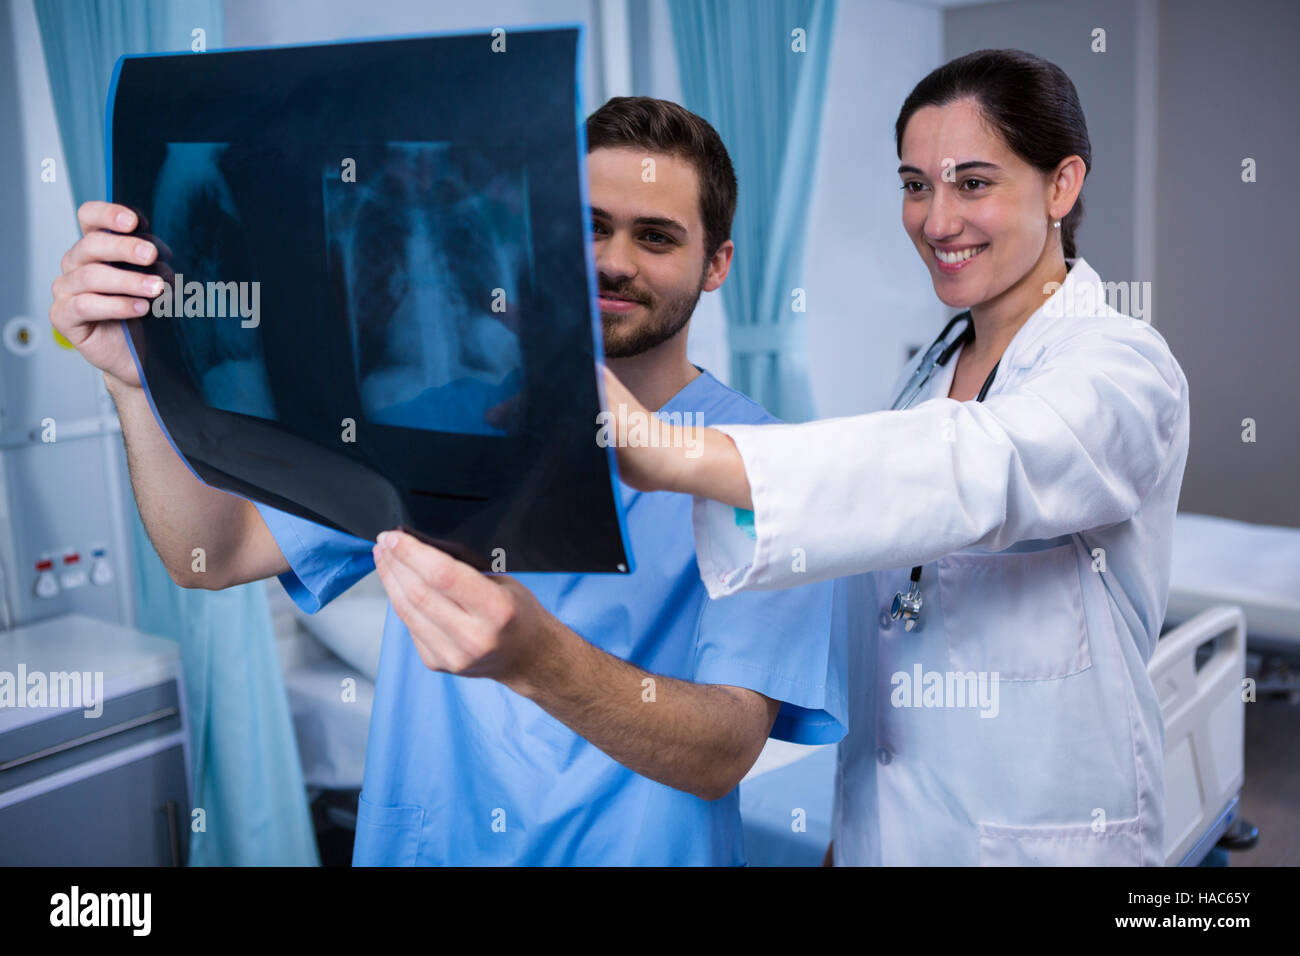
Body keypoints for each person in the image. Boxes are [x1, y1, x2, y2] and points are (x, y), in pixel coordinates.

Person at [50, 96, 845, 866]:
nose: (612, 261)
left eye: (657, 237)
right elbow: (211, 554)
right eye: (590, 227)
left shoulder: (764, 466)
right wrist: (135, 382)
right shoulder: (448, 413)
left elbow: (725, 749)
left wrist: (540, 662)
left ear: (717, 264)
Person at [603, 50, 1189, 866]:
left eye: (972, 182)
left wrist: (671, 453)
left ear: (1062, 185)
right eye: (916, 185)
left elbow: (982, 465)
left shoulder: (1124, 368)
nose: (937, 219)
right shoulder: (928, 377)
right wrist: (853, 833)